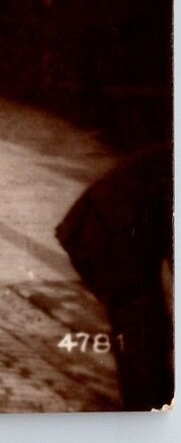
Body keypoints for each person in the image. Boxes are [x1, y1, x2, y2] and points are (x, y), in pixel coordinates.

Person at [56, 144, 173, 410]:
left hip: (117, 232)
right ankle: (148, 411)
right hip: (105, 236)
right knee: (142, 326)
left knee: (147, 327)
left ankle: (151, 403)